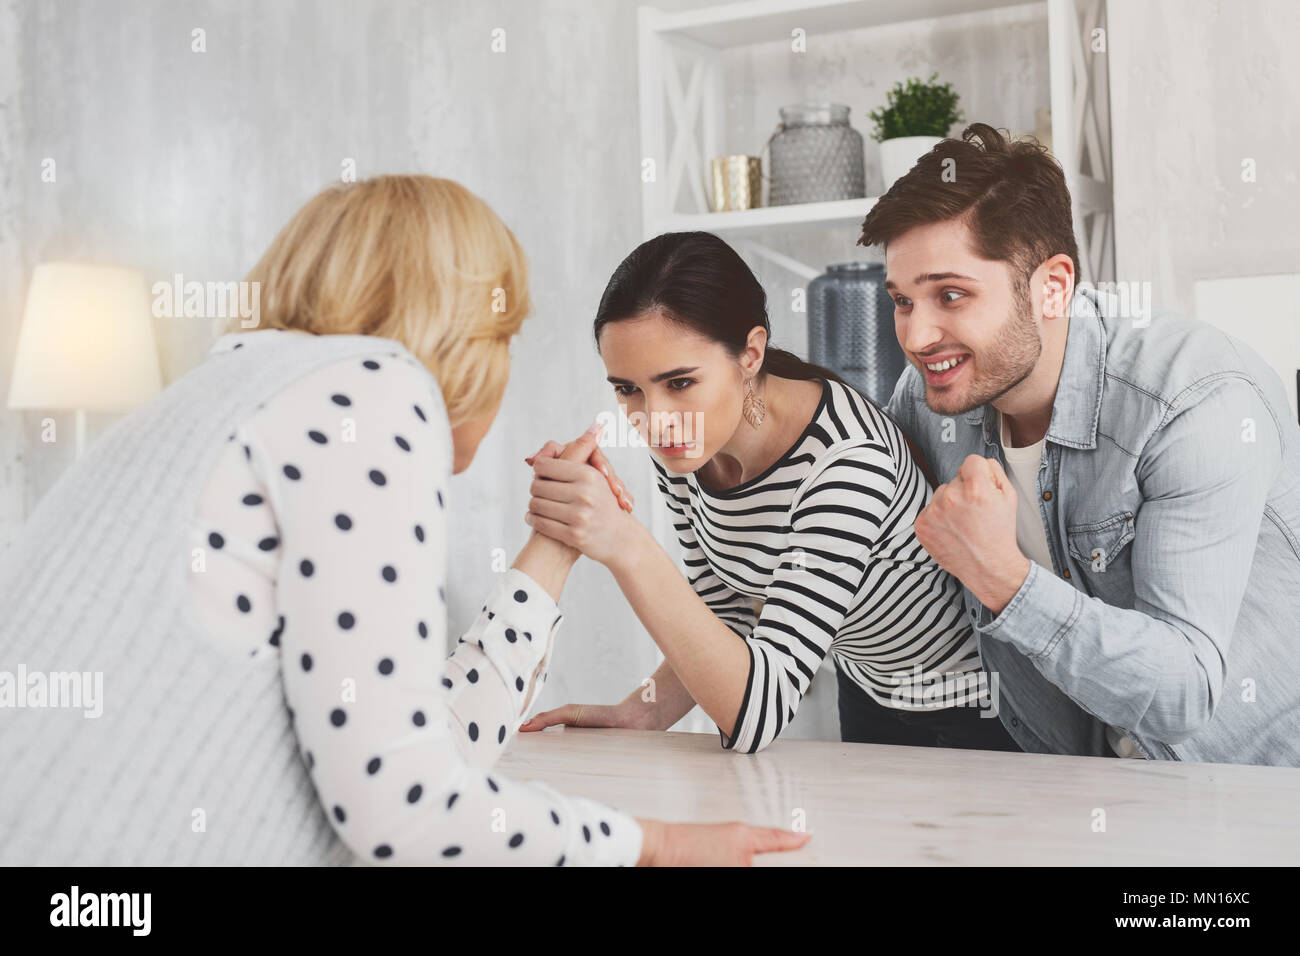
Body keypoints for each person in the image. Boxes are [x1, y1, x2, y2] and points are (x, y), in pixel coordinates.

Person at [0, 175, 810, 865]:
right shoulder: (369, 390)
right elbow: (404, 810)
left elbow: (428, 747)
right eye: (505, 336)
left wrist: (554, 547)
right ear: (467, 334)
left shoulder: (217, 399)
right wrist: (652, 844)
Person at [861, 122, 1300, 765]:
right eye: (902, 301)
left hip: (1254, 791)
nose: (918, 335)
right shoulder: (934, 396)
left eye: (950, 295)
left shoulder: (1195, 400)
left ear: (1053, 285)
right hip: (1078, 781)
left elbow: (1183, 694)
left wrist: (1000, 576)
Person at [520, 232, 1018, 754]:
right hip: (870, 692)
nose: (654, 419)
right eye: (628, 389)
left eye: (681, 382)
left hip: (973, 710)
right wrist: (639, 712)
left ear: (751, 353)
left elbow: (758, 713)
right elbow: (725, 615)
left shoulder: (844, 460)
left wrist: (624, 545)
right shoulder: (690, 445)